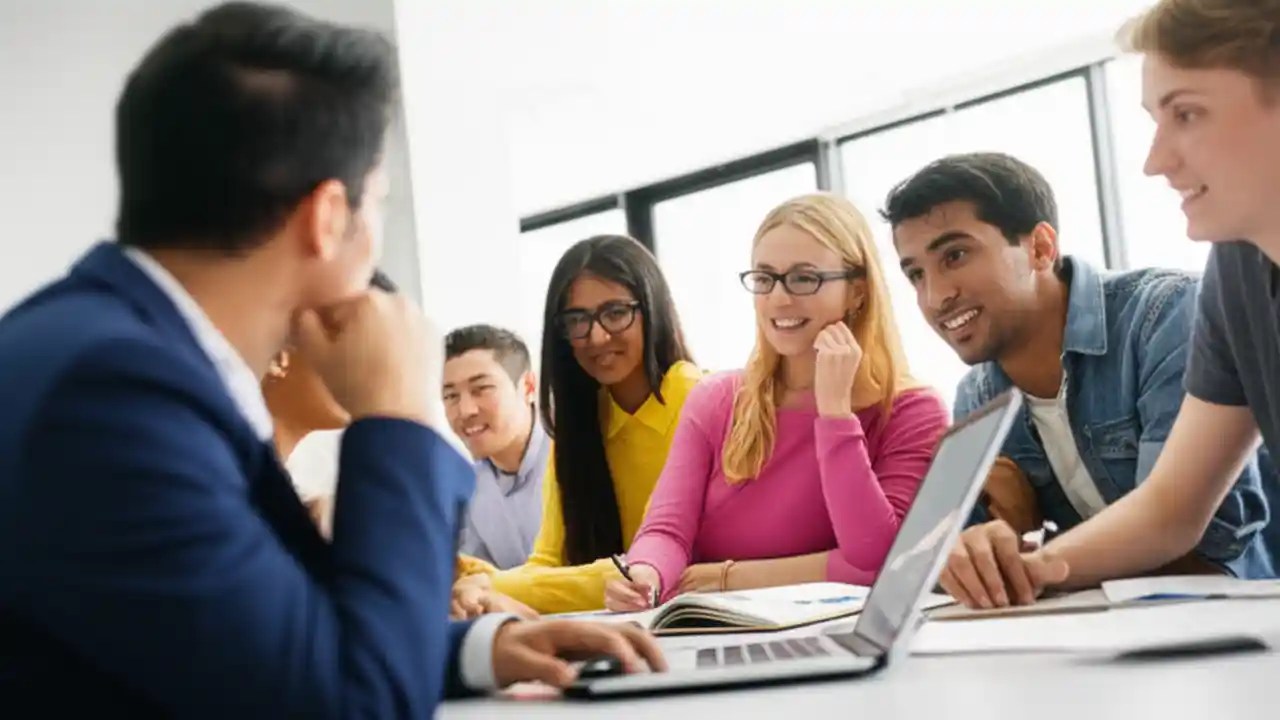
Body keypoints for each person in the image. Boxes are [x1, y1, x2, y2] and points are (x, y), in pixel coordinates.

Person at [0, 4, 663, 716]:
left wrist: (476, 649)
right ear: (326, 217)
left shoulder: (117, 355)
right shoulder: (112, 396)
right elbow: (339, 704)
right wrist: (400, 418)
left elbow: (260, 648)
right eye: (376, 201)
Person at [936, 0, 1280, 608]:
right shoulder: (1237, 271)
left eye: (1188, 113)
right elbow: (1172, 507)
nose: (1155, 161)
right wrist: (1032, 571)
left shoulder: (1169, 308)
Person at [884, 152, 1275, 605]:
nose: (936, 296)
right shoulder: (978, 398)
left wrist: (1029, 564)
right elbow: (956, 574)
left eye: (955, 255)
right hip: (1099, 629)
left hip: (1238, 620)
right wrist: (971, 558)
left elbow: (1204, 542)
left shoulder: (1167, 316)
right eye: (915, 274)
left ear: (1040, 248)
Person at [604, 193, 949, 611]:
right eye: (765, 278)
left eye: (804, 279)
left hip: (833, 640)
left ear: (857, 291)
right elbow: (666, 531)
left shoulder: (912, 411)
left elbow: (876, 560)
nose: (780, 298)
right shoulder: (716, 399)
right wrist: (646, 574)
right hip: (712, 633)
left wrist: (835, 412)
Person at [461, 234, 702, 614]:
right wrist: (474, 585)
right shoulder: (580, 423)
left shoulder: (695, 398)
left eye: (616, 313)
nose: (597, 336)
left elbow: (667, 567)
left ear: (652, 309)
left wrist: (492, 584)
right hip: (621, 631)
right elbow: (549, 563)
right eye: (577, 320)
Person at [443, 324, 550, 570]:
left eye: (481, 389)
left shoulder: (578, 452)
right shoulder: (464, 488)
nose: (466, 410)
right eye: (451, 396)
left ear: (529, 387)